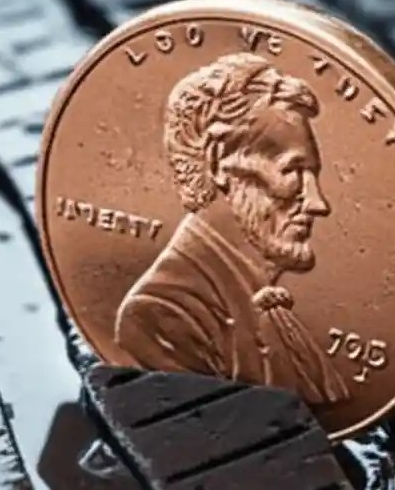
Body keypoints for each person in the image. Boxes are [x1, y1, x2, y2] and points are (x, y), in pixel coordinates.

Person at [114, 52, 351, 406]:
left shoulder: (261, 298)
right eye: (292, 172)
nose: (318, 203)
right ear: (217, 163)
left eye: (312, 176)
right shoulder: (158, 315)